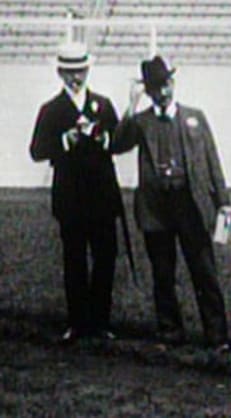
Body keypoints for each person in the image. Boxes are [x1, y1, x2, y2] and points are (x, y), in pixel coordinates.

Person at [112, 56, 231, 352]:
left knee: (203, 270)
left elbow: (212, 160)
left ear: (173, 83)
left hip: (191, 203)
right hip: (157, 207)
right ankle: (170, 331)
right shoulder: (140, 121)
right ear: (148, 91)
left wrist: (223, 202)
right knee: (163, 273)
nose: (162, 93)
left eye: (165, 85)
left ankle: (217, 335)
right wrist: (130, 105)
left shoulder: (195, 117)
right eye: (155, 88)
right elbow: (117, 145)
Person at [29, 42, 123, 343]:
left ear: (88, 70)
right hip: (71, 198)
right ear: (60, 73)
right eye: (69, 72)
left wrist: (103, 137)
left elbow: (119, 141)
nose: (76, 78)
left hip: (102, 196)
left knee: (106, 256)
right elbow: (37, 151)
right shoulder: (51, 110)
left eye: (80, 71)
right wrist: (65, 141)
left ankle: (100, 320)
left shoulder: (103, 104)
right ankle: (78, 321)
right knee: (75, 259)